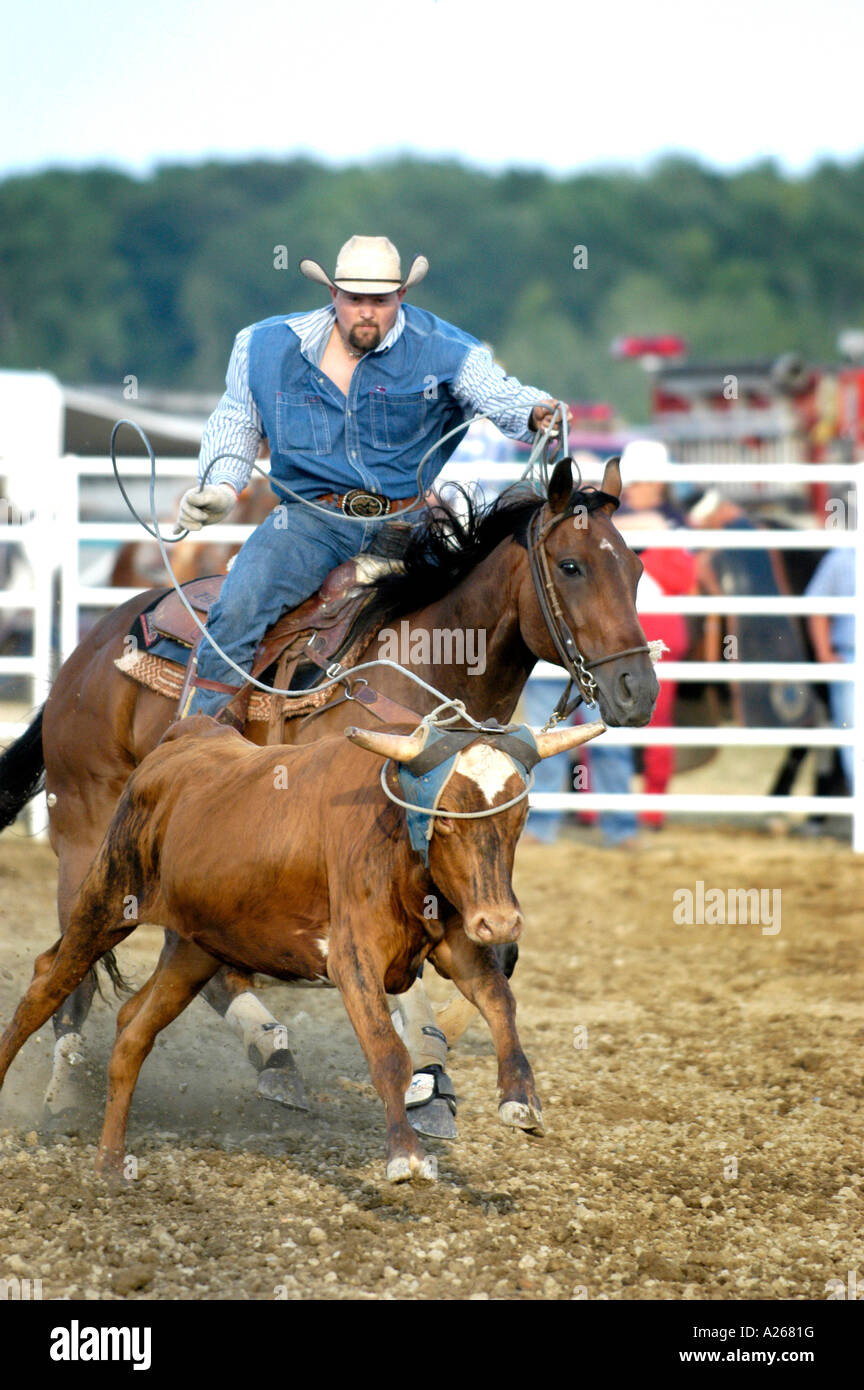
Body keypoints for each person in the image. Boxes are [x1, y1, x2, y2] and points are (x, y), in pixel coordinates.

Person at [177, 235, 569, 716]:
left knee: (474, 623)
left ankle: (474, 733)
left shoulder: (445, 349)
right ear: (333, 295)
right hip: (306, 522)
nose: (367, 311)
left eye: (380, 301)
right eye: (355, 299)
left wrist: (535, 412)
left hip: (407, 526)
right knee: (238, 609)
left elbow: (496, 393)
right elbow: (237, 421)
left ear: (401, 297)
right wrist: (221, 485)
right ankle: (196, 742)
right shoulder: (264, 346)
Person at [805, 544, 855, 791]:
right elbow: (816, 604)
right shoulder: (843, 557)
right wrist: (825, 654)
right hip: (850, 656)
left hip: (849, 654)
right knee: (852, 737)